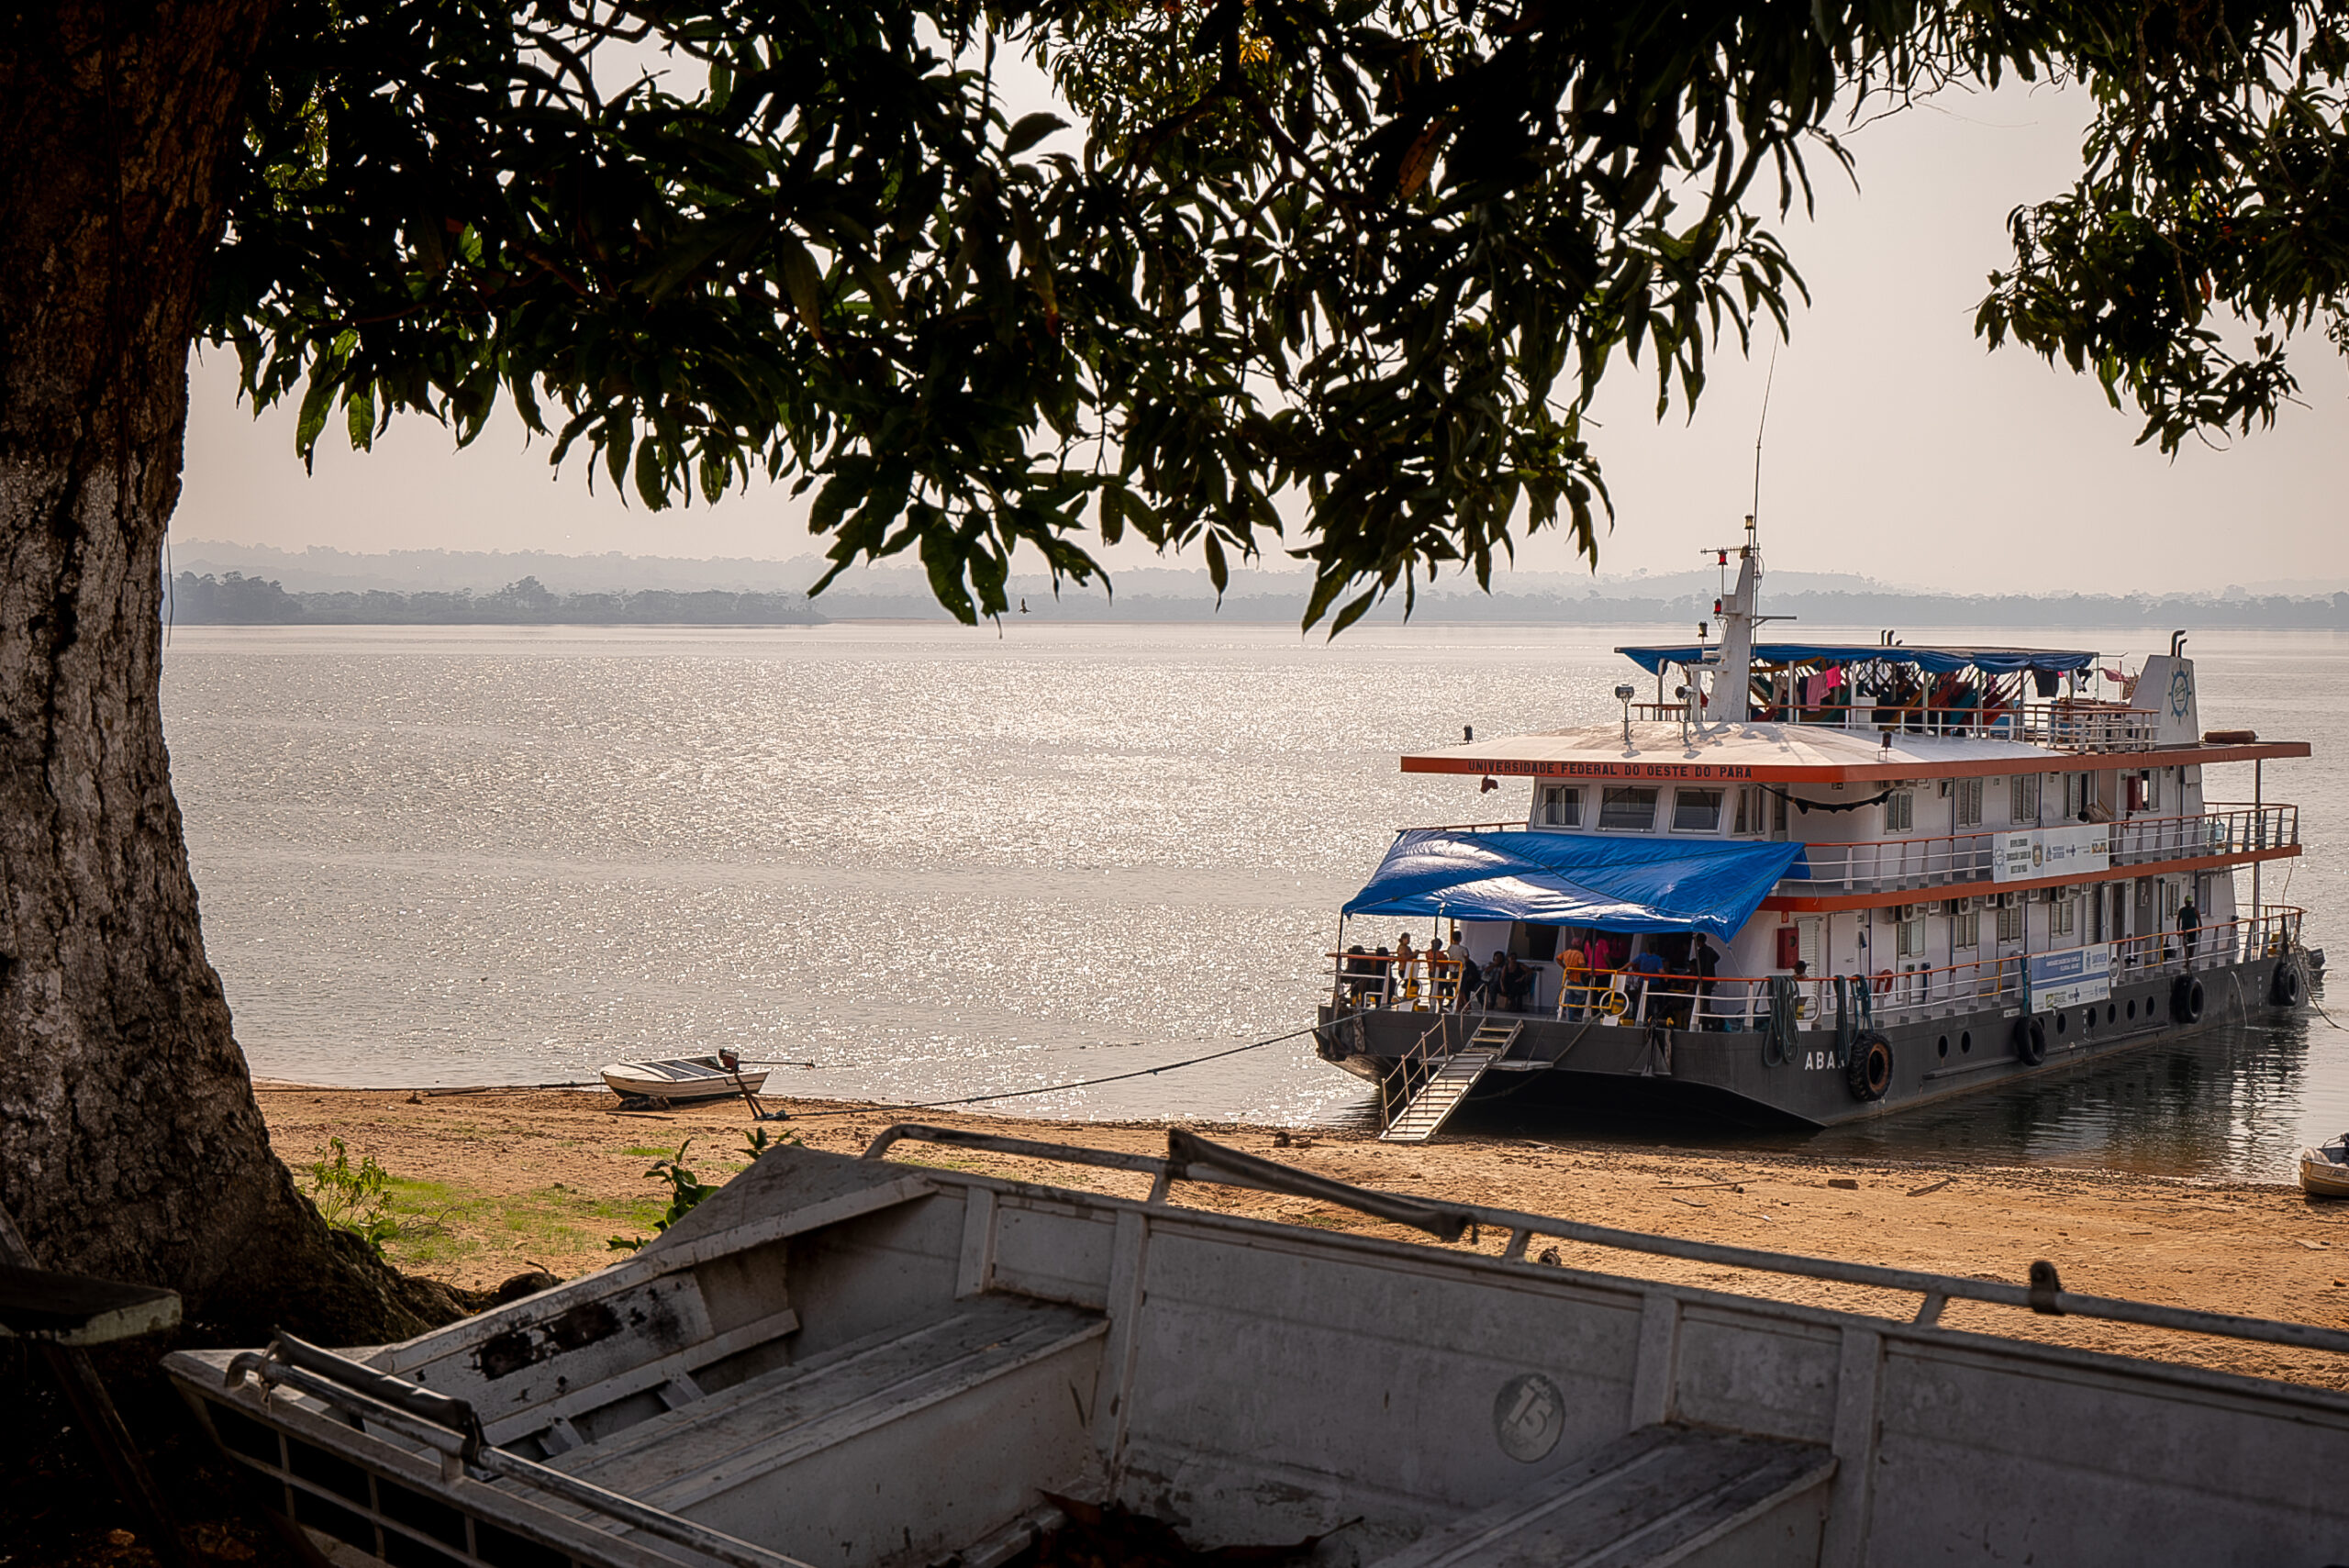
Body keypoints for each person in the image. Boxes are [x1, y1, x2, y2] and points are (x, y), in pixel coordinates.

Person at [1555, 933, 1588, 1020]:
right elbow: (1582, 965)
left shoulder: (1566, 952)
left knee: (1570, 998)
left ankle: (1570, 1017)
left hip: (1567, 978)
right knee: (1582, 996)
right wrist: (1586, 970)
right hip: (1576, 979)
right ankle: (1570, 1010)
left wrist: (1565, 967)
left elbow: (1558, 959)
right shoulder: (1579, 954)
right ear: (1580, 945)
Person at [1628, 944, 1664, 1020]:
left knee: (1645, 1001)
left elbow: (1631, 963)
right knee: (1658, 1000)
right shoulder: (1657, 958)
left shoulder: (1642, 956)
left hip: (1644, 982)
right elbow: (1661, 971)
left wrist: (1621, 969)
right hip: (1653, 983)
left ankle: (1646, 1018)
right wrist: (1666, 976)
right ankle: (1655, 1017)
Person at [1692, 934, 1721, 1029]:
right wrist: (1711, 964)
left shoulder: (1701, 952)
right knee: (1707, 1000)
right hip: (1710, 978)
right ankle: (1707, 1020)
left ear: (1699, 941)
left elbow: (1700, 966)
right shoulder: (1710, 950)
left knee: (1701, 1000)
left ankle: (1702, 1020)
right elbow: (1717, 957)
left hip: (1703, 978)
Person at [2178, 895, 2200, 962]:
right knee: (2186, 945)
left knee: (2192, 946)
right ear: (2185, 902)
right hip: (2185, 930)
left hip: (2193, 930)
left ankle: (2190, 959)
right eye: (2187, 902)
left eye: (2190, 902)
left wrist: (2200, 930)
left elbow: (2199, 921)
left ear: (2192, 902)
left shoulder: (2195, 910)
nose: (2189, 904)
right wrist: (2178, 930)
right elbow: (2178, 920)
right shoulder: (2182, 910)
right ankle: (2187, 959)